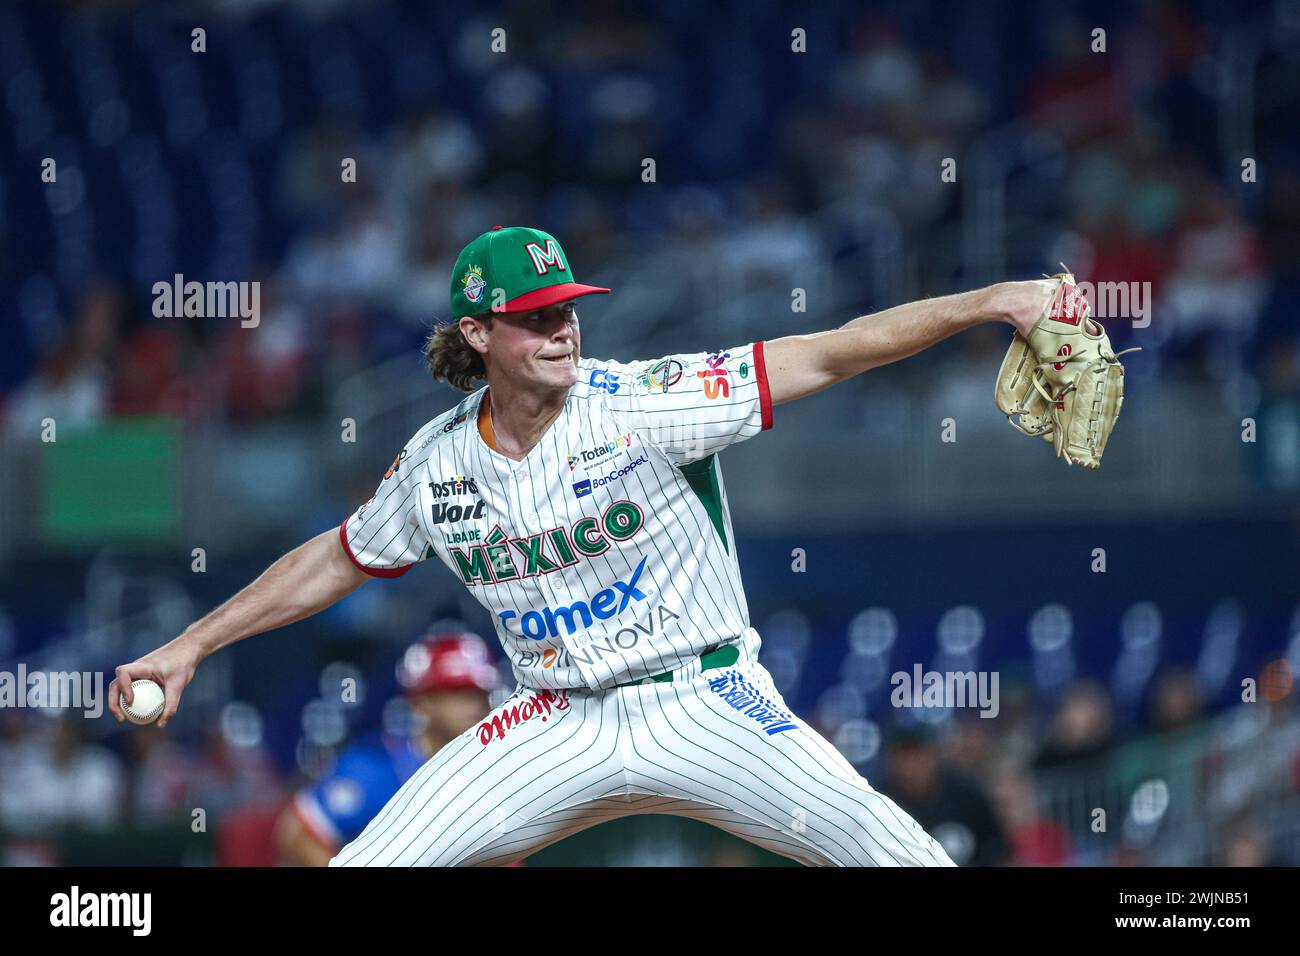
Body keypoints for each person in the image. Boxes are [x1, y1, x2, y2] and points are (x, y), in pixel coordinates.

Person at [111, 225, 1061, 866]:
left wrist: (991, 302)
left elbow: (836, 348)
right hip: (552, 720)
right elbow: (332, 560)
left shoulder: (644, 401)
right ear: (478, 333)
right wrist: (189, 644)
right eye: (536, 317)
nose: (564, 326)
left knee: (905, 857)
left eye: (567, 306)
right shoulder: (438, 465)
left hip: (707, 698)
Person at [275, 629, 500, 866]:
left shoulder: (497, 765)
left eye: (481, 694)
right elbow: (299, 835)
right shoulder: (377, 766)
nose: (475, 706)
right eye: (459, 693)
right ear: (423, 703)